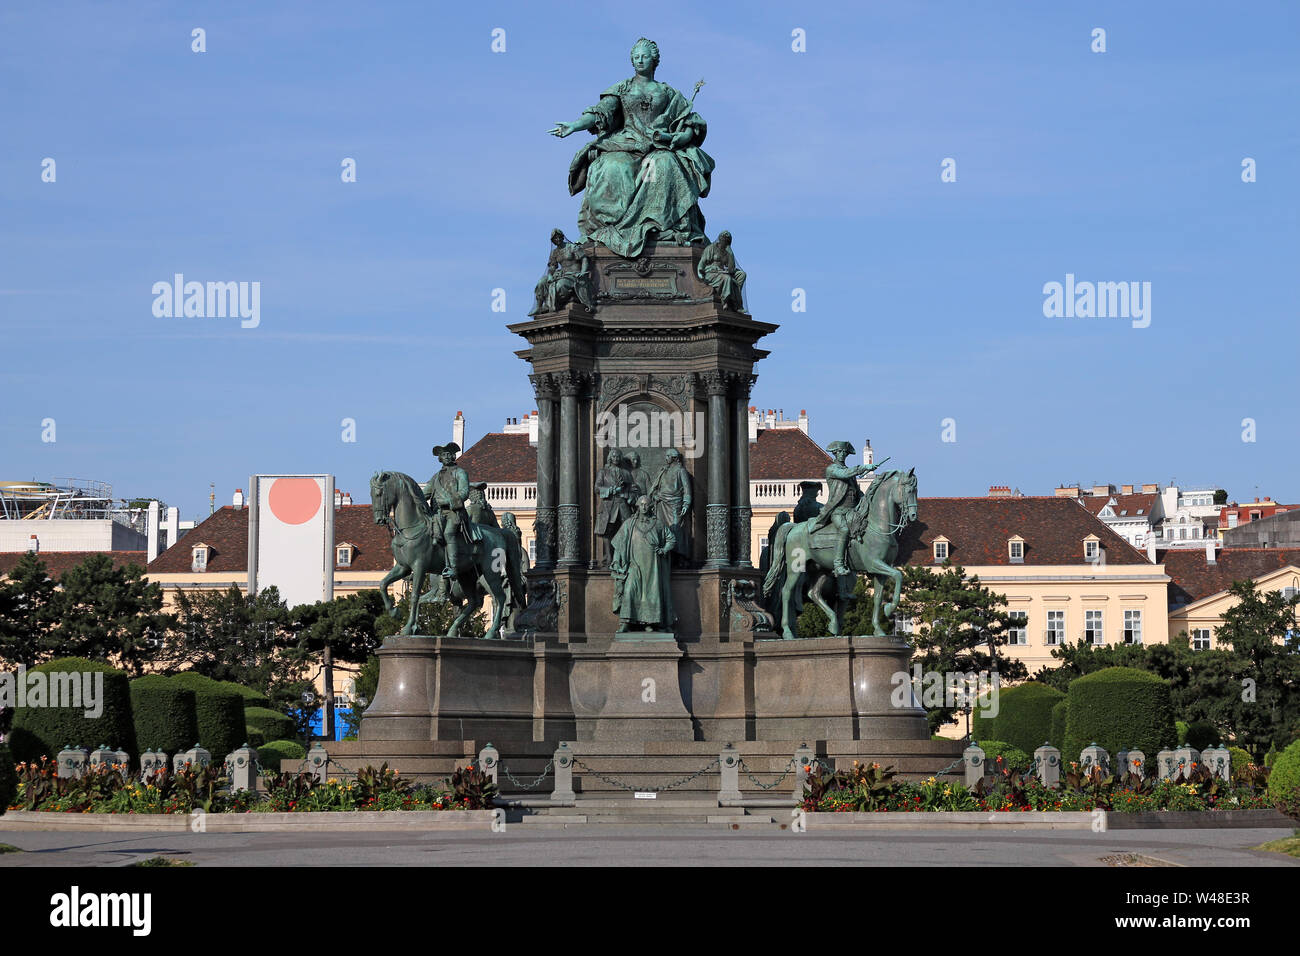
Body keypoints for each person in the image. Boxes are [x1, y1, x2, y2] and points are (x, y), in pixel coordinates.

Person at [548, 38, 714, 258]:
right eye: (636, 57)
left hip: (658, 148)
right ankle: (611, 229)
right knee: (611, 167)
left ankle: (659, 225)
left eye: (644, 56)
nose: (640, 60)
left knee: (664, 164)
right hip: (624, 144)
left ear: (654, 60)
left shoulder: (669, 93)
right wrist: (574, 126)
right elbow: (600, 113)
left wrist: (679, 137)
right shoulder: (622, 88)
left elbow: (691, 124)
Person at [807, 440, 876, 577]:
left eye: (844, 453)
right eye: (840, 452)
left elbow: (857, 491)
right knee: (844, 530)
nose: (842, 455)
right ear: (835, 453)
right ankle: (838, 564)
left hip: (852, 511)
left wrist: (867, 501)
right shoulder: (832, 469)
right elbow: (845, 475)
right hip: (838, 511)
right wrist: (865, 467)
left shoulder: (849, 473)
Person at [610, 495, 676, 632]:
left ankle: (649, 622)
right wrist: (617, 561)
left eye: (646, 504)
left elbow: (671, 539)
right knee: (629, 591)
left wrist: (664, 550)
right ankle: (625, 623)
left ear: (651, 506)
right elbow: (619, 544)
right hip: (634, 565)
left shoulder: (658, 523)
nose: (644, 507)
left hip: (653, 567)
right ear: (637, 506)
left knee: (651, 593)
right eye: (641, 504)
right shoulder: (629, 524)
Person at [423, 443, 481, 597]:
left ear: (454, 456)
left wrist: (449, 501)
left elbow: (464, 492)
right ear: (440, 459)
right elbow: (426, 493)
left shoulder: (460, 472)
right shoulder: (436, 477)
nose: (447, 456)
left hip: (454, 512)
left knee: (449, 533)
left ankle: (453, 568)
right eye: (444, 454)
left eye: (449, 454)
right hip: (438, 514)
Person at [530, 228, 594, 315]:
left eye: (558, 237)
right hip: (561, 275)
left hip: (574, 275)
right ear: (553, 241)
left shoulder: (572, 247)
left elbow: (584, 259)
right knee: (541, 282)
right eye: (554, 238)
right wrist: (549, 275)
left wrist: (583, 272)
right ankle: (539, 307)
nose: (557, 239)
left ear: (562, 237)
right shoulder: (554, 252)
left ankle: (550, 305)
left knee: (560, 286)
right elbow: (552, 266)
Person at [649, 447, 693, 564]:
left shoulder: (681, 471)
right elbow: (654, 488)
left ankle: (680, 557)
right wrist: (655, 496)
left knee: (676, 530)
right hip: (661, 504)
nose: (666, 458)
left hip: (675, 505)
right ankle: (666, 555)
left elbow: (687, 490)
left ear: (674, 458)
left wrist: (686, 503)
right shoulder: (663, 471)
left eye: (668, 456)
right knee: (662, 530)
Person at [594, 448, 633, 566]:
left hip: (622, 504)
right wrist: (610, 490)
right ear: (610, 458)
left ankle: (623, 557)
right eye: (613, 456)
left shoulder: (626, 473)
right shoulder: (603, 472)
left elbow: (633, 489)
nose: (616, 458)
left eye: (618, 456)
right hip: (608, 505)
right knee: (607, 531)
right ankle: (609, 557)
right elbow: (597, 488)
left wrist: (626, 494)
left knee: (626, 529)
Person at [697, 231, 746, 311]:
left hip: (722, 271)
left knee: (742, 274)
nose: (725, 242)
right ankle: (725, 301)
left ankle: (736, 299)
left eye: (727, 241)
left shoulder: (727, 252)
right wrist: (700, 273)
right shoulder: (711, 248)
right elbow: (702, 262)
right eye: (724, 240)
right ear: (720, 239)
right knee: (727, 278)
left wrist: (730, 254)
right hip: (711, 273)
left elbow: (731, 268)